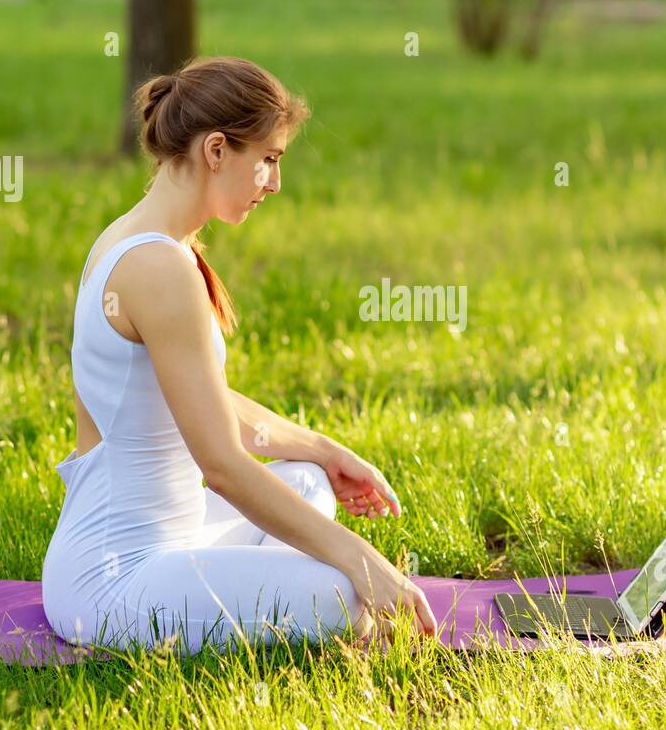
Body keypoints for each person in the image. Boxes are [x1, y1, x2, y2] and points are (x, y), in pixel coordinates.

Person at [41, 56, 437, 655]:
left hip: (169, 541)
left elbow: (204, 401)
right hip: (113, 580)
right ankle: (300, 586)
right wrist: (365, 563)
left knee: (306, 481)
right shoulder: (158, 266)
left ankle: (273, 581)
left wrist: (325, 450)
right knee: (345, 598)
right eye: (269, 161)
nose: (275, 184)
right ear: (217, 151)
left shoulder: (139, 237)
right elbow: (221, 466)